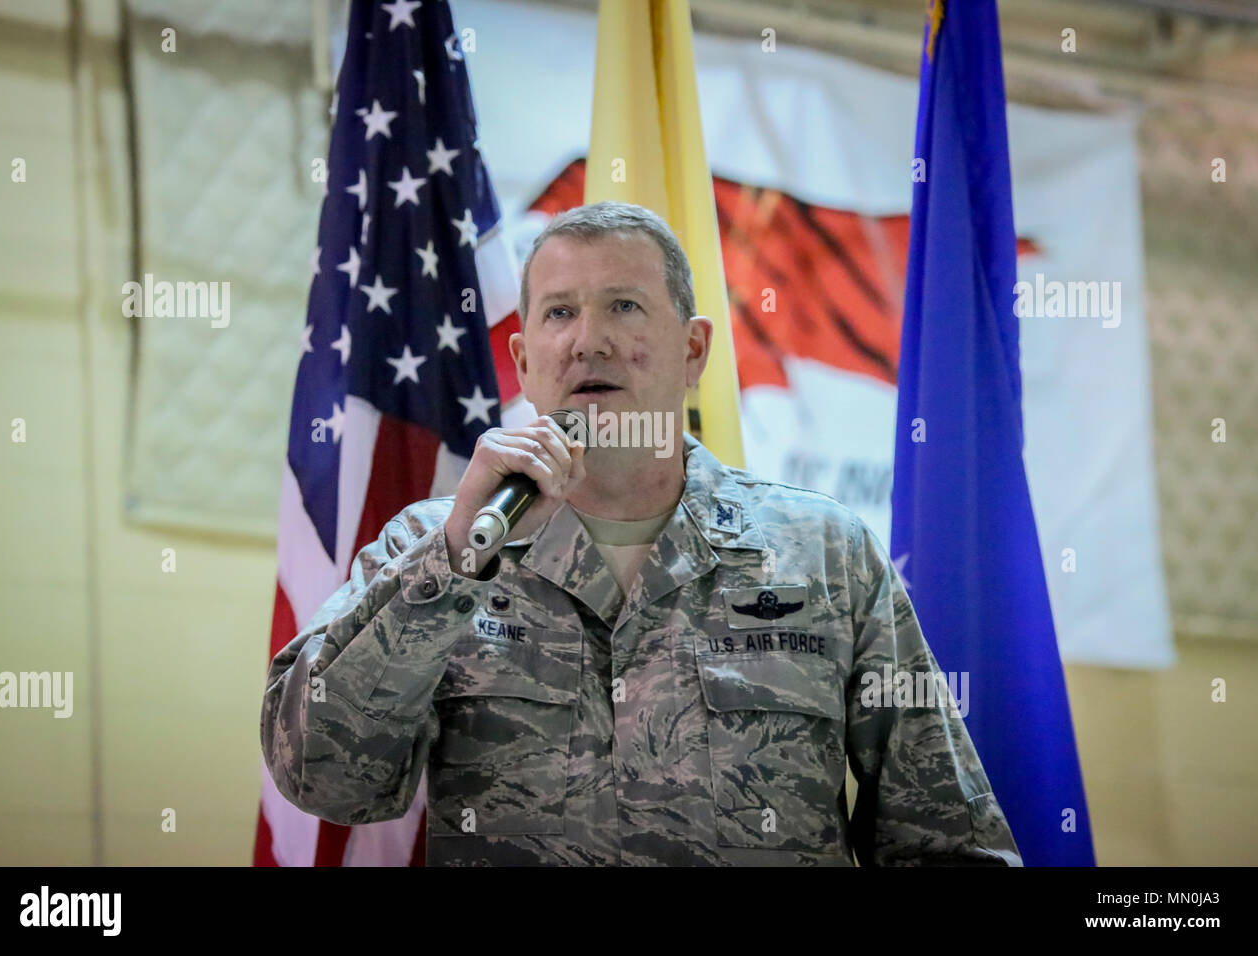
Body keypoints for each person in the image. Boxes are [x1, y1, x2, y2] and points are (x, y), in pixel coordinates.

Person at [261, 200, 1022, 866]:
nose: (588, 340)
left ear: (693, 350)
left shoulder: (825, 552)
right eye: (559, 312)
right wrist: (452, 565)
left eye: (624, 306)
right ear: (524, 362)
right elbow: (323, 776)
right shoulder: (432, 544)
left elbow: (945, 841)